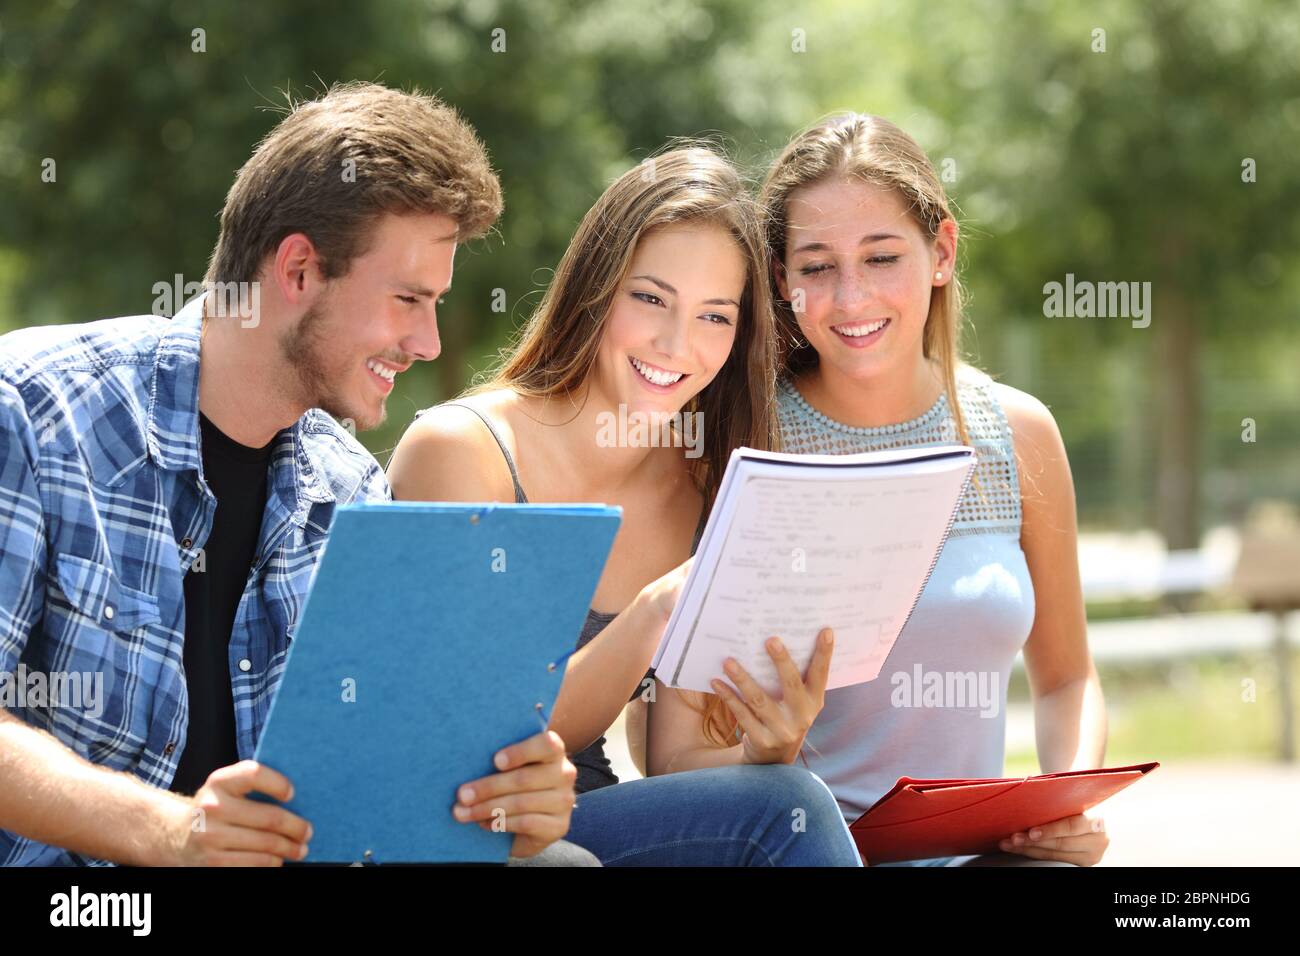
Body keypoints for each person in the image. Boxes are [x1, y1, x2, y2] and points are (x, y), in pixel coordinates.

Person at [0, 81, 591, 866]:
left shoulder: (351, 490)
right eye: (408, 299)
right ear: (300, 270)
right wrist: (168, 833)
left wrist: (510, 796)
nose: (428, 342)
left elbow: (382, 770)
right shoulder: (35, 411)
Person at [646, 113, 1109, 867]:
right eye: (818, 266)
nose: (851, 297)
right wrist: (763, 758)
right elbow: (669, 755)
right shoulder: (737, 445)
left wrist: (1070, 798)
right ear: (781, 280)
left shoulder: (1018, 434)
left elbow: (1067, 678)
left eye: (882, 256)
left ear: (942, 252)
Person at [387, 146, 862, 866]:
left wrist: (769, 748)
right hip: (466, 827)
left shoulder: (703, 487)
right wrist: (650, 617)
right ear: (596, 289)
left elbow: (675, 759)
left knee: (788, 801)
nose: (678, 344)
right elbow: (485, 748)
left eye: (713, 316)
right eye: (650, 299)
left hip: (594, 823)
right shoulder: (462, 452)